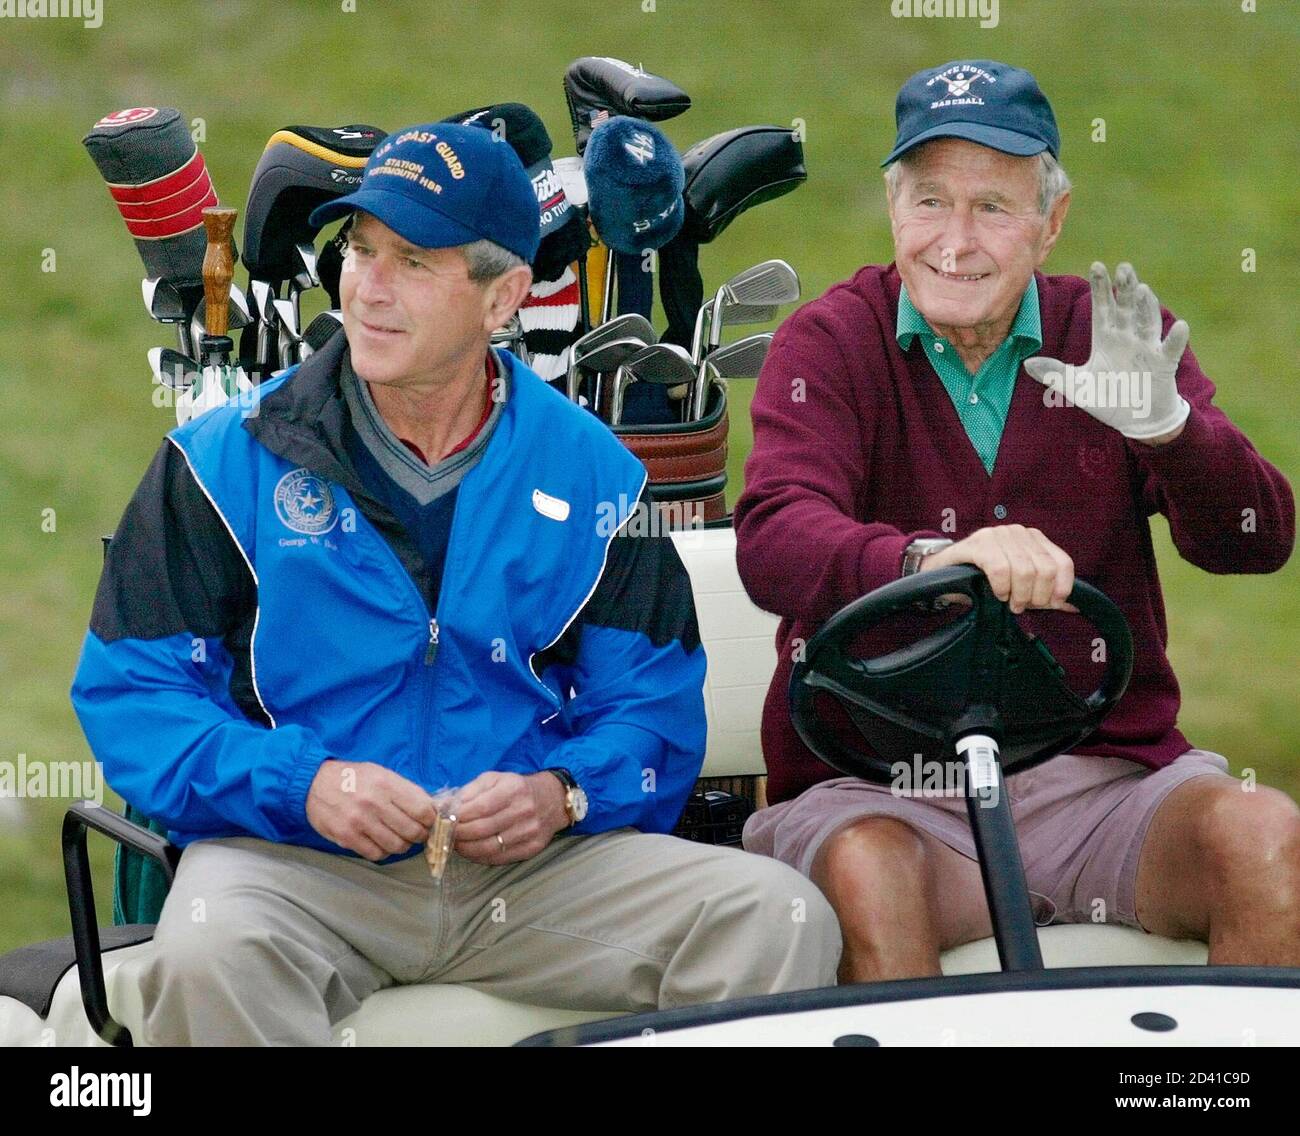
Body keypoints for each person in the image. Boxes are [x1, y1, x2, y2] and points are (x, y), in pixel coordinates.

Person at [71, 122, 839, 1045]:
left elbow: (655, 712)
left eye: (415, 262)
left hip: (530, 872)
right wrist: (303, 782)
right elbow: (133, 696)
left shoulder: (594, 473)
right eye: (359, 252)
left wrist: (563, 792)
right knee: (202, 952)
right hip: (291, 859)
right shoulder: (218, 461)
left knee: (778, 917)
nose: (369, 288)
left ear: (504, 295)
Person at [735, 61, 1299, 983]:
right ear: (892, 210)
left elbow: (1256, 538)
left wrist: (1170, 431)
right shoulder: (831, 341)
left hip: (1106, 783)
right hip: (886, 791)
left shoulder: (1108, 331)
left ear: (1051, 222)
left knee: (1265, 833)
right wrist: (933, 557)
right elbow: (774, 536)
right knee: (870, 871)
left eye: (993, 207)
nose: (955, 242)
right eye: (929, 203)